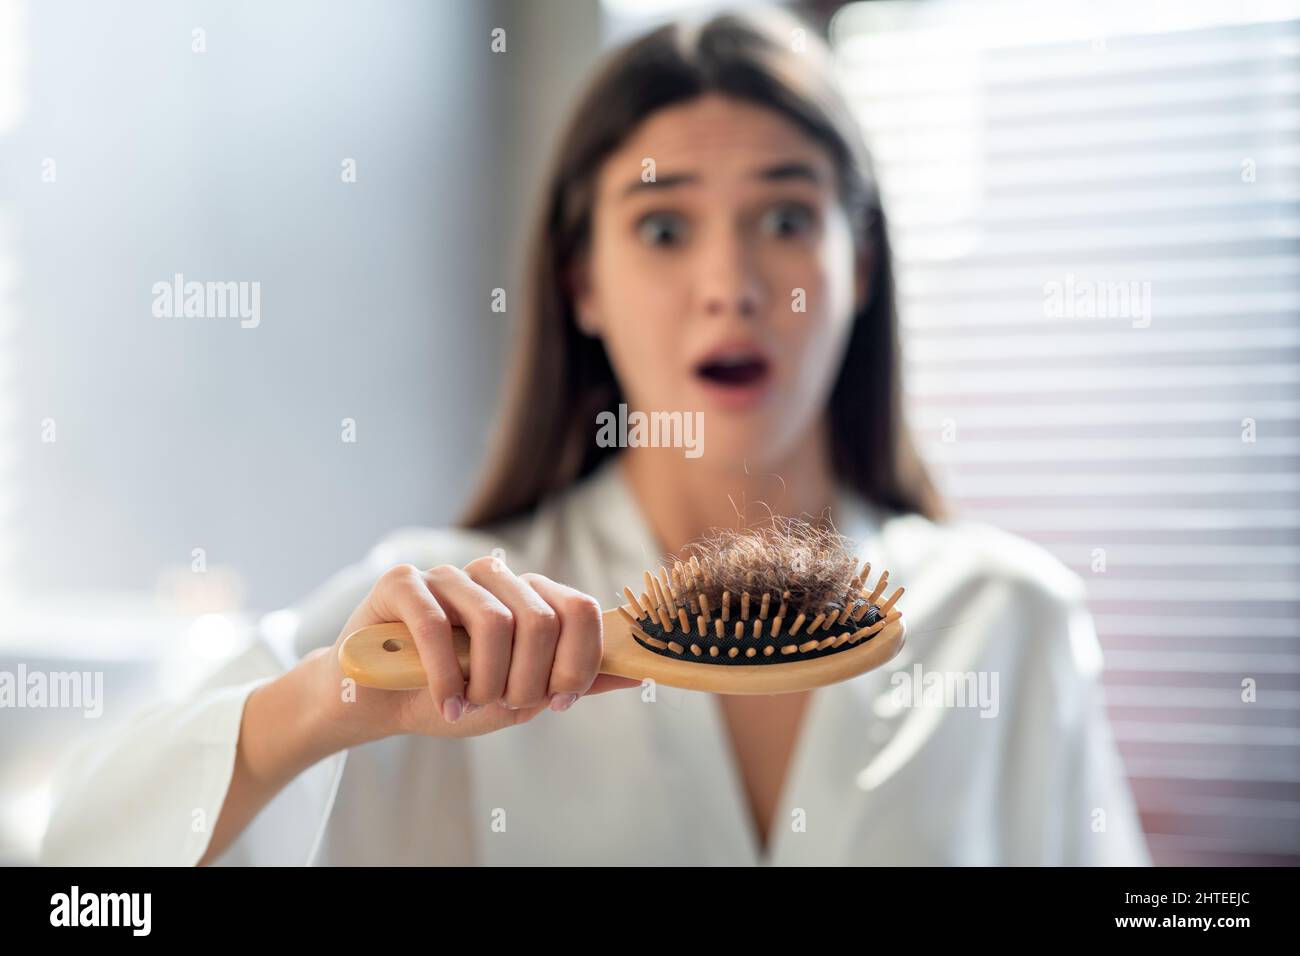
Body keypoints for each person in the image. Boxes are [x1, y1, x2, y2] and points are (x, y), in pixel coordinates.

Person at [40, 7, 1149, 866]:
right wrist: (328, 705)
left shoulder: (1008, 621)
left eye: (785, 217)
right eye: (663, 227)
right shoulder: (436, 613)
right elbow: (85, 862)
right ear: (582, 281)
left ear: (858, 267)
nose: (730, 285)